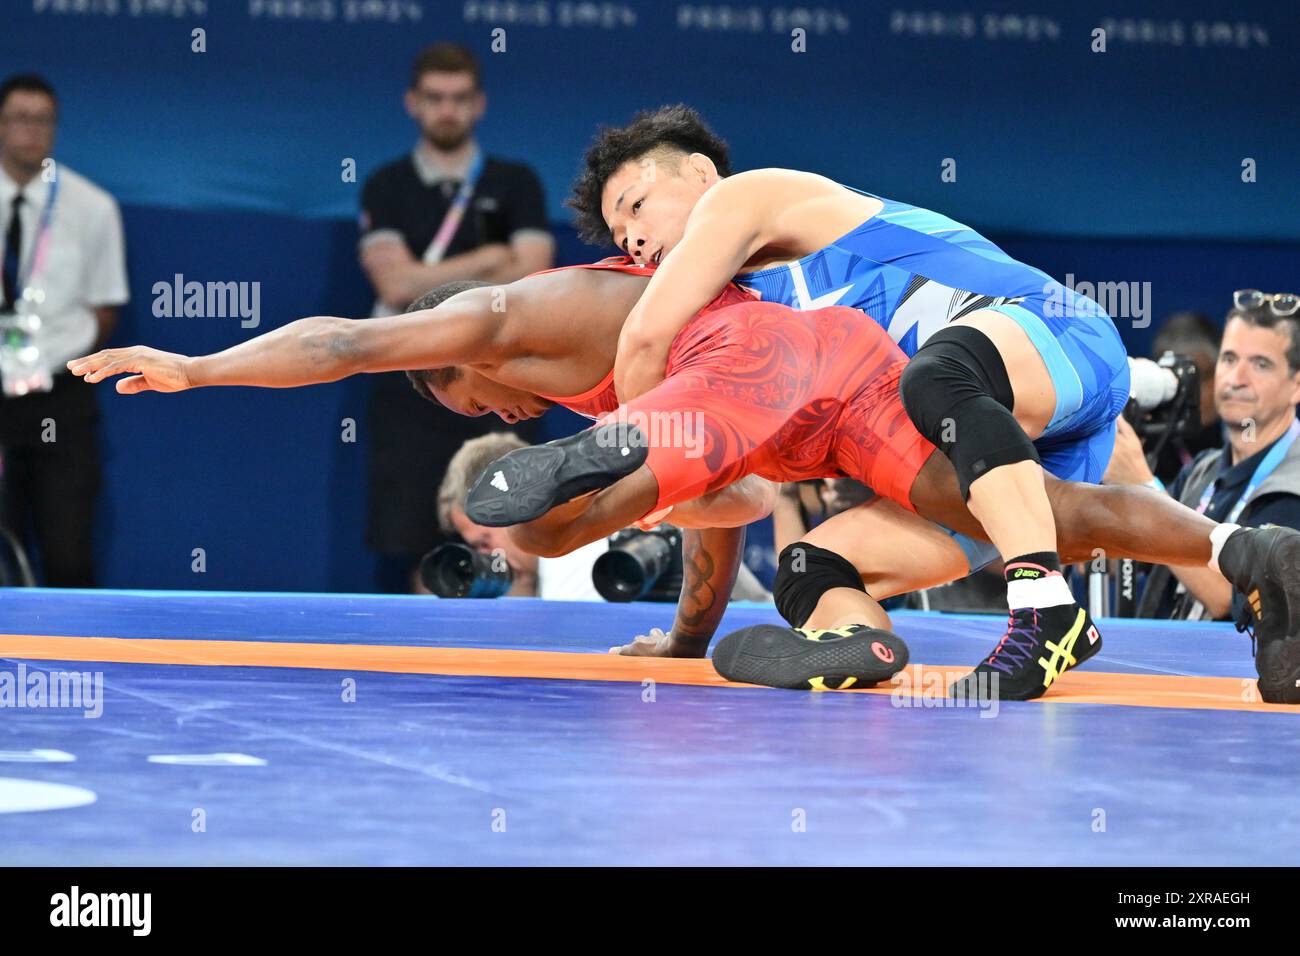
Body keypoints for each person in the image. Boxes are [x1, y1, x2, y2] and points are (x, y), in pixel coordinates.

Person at [65, 266, 1300, 701]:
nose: (499, 405)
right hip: (804, 419)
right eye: (494, 413)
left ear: (459, 365)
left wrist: (197, 366)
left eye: (475, 400)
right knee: (1019, 505)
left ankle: (612, 474)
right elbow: (729, 515)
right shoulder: (573, 387)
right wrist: (687, 633)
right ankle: (1253, 560)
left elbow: (340, 343)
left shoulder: (513, 316)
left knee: (609, 475)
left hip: (775, 364)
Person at [566, 104, 1131, 700]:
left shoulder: (746, 199)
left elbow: (643, 339)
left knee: (934, 377)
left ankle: (1045, 612)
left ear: (701, 173)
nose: (631, 240)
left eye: (635, 205)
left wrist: (636, 466)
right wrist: (686, 638)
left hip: (1061, 337)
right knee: (810, 567)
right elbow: (723, 469)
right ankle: (860, 639)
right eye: (620, 238)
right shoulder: (734, 327)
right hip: (1004, 455)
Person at [358, 42, 554, 593]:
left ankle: (518, 666)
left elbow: (531, 276)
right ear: (412, 103)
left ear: (480, 104)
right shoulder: (386, 185)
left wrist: (434, 273)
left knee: (514, 528)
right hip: (414, 389)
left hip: (504, 380)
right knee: (421, 539)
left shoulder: (517, 182)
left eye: (460, 98)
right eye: (436, 98)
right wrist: (492, 259)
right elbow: (393, 285)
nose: (448, 109)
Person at [1106, 291, 1300, 632]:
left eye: (1260, 364)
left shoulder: (1292, 487)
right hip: (1157, 671)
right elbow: (1133, 558)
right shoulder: (1202, 472)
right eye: (1228, 359)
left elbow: (1227, 597)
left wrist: (1141, 484)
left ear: (1296, 385)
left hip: (1237, 681)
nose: (1236, 378)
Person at [0, 73, 127, 587]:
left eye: (42, 120)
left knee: (68, 549)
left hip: (61, 396)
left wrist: (50, 358)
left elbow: (105, 308)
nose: (31, 131)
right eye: (19, 118)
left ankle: (75, 667)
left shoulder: (91, 206)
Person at [1148, 310, 1223, 483]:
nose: (1190, 394)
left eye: (1200, 378)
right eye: (1179, 382)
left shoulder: (1245, 435)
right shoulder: (1147, 449)